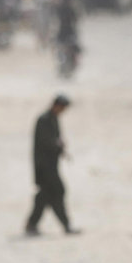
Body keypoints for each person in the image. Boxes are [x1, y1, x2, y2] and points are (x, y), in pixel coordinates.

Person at [25, 94, 78, 235]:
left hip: (51, 166)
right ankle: (65, 225)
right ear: (56, 105)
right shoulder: (44, 120)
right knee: (58, 191)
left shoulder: (53, 119)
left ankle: (33, 224)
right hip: (44, 167)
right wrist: (58, 145)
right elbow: (46, 142)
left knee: (45, 196)